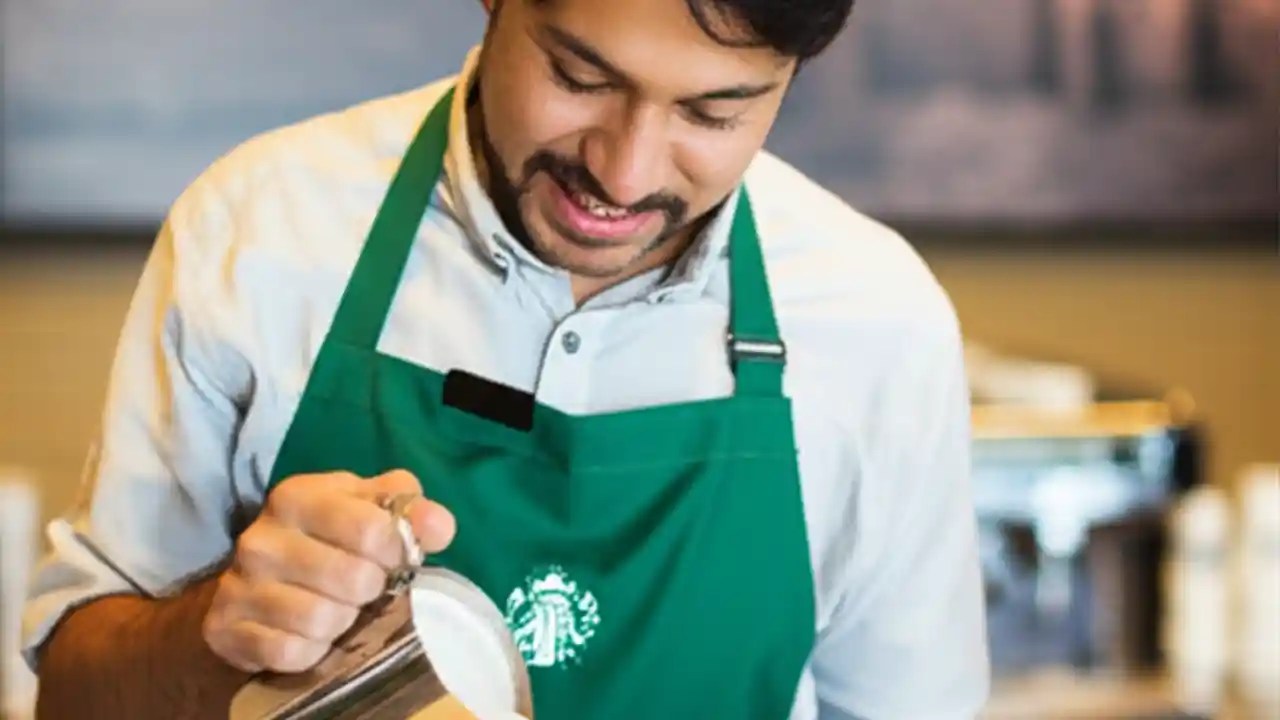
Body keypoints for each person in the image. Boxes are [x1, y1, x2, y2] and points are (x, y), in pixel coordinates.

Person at [23, 0, 991, 717]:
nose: (622, 170)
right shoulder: (260, 236)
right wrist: (214, 632)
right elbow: (73, 693)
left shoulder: (878, 326)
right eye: (580, 77)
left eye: (710, 115)